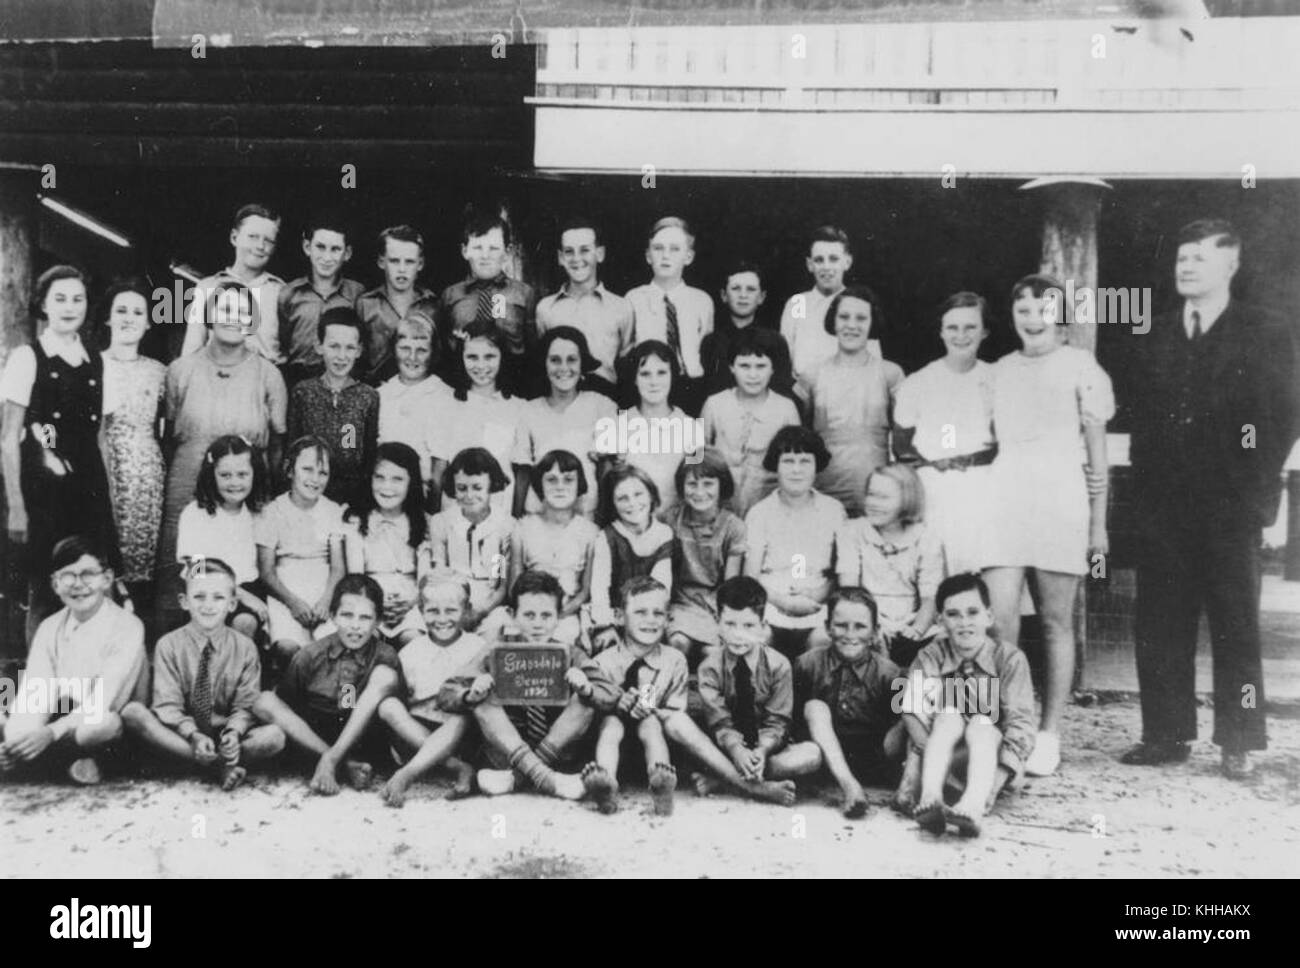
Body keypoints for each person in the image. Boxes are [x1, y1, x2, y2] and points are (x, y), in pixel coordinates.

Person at [1122, 219, 1300, 779]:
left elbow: (1280, 416)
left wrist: (1253, 490)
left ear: (1231, 263)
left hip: (1231, 508)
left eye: (1199, 257)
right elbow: (1143, 419)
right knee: (1160, 620)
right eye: (1181, 256)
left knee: (1236, 625)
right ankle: (1165, 734)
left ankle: (1239, 739)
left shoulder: (1263, 330)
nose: (1187, 265)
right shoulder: (1157, 331)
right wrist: (1146, 494)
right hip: (1165, 510)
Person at [982, 274, 1114, 778]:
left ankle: (1049, 733)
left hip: (1061, 499)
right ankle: (1008, 724)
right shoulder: (998, 371)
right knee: (1001, 620)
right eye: (1022, 309)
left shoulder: (1082, 368)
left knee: (1057, 622)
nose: (1032, 317)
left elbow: (1097, 462)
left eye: (1042, 308)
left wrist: (1098, 529)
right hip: (1005, 494)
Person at [156, 279, 287, 625]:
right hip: (187, 483)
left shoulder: (269, 374)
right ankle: (176, 652)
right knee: (182, 569)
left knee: (242, 571)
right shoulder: (180, 370)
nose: (233, 318)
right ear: (209, 316)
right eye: (225, 310)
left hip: (244, 486)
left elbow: (277, 444)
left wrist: (262, 490)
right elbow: (167, 436)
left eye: (243, 312)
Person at [1, 266, 121, 639]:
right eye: (60, 299)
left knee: (94, 588)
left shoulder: (99, 363)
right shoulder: (28, 357)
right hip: (43, 492)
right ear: (43, 305)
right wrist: (17, 507)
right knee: (46, 590)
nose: (70, 307)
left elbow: (101, 439)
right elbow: (9, 437)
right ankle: (41, 680)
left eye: (78, 299)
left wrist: (110, 500)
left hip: (88, 491)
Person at [437, 570, 611, 800]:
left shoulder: (569, 653)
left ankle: (519, 777)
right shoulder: (497, 651)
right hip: (506, 751)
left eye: (546, 616)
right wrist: (471, 693)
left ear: (559, 617)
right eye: (529, 615)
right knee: (483, 700)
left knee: (585, 700)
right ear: (512, 615)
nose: (538, 624)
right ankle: (548, 780)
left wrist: (587, 688)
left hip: (558, 751)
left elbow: (610, 693)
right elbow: (447, 692)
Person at [121, 558, 285, 790]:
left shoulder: (245, 647)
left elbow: (246, 703)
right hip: (183, 736)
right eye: (199, 597)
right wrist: (193, 735)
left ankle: (210, 761)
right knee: (133, 713)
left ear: (232, 604)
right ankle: (218, 766)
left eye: (218, 597)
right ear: (184, 602)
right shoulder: (168, 645)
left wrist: (234, 734)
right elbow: (167, 704)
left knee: (274, 736)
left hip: (225, 732)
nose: (208, 605)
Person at [898, 573, 1036, 838]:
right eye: (953, 614)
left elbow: (1022, 725)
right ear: (940, 621)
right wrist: (928, 760)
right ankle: (931, 797)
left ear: (989, 616)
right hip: (938, 754)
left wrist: (996, 783)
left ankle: (972, 805)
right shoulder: (930, 654)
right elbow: (909, 708)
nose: (964, 623)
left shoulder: (1010, 659)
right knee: (949, 715)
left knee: (982, 722)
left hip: (989, 761)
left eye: (972, 612)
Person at [0, 536, 146, 785]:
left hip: (105, 718)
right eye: (68, 576)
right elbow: (36, 693)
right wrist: (17, 741)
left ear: (106, 579)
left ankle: (49, 763)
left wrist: (49, 733)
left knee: (100, 725)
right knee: (14, 722)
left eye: (88, 574)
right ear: (55, 584)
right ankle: (58, 762)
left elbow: (102, 701)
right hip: (62, 714)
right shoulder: (49, 627)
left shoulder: (127, 626)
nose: (78, 585)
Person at [253, 574, 401, 794]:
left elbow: (393, 711)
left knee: (385, 675)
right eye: (347, 616)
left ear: (378, 621)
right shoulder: (309, 656)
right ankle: (341, 763)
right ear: (332, 616)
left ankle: (334, 760)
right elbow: (289, 705)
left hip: (363, 738)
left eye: (365, 618)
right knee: (264, 700)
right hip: (315, 737)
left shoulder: (385, 656)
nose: (355, 626)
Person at [893, 291, 997, 575]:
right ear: (941, 331)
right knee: (934, 574)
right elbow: (902, 447)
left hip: (982, 489)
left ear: (984, 331)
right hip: (932, 491)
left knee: (983, 577)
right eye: (952, 327)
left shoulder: (997, 379)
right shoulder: (918, 383)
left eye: (970, 327)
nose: (961, 335)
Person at [694, 576, 822, 797]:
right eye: (730, 624)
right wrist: (736, 750)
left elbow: (778, 721)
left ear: (763, 627)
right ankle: (755, 784)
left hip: (767, 749)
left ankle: (724, 779)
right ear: (717, 623)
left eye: (748, 625)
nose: (738, 634)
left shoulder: (779, 665)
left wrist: (761, 751)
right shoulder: (709, 668)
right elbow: (720, 722)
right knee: (696, 743)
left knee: (812, 755)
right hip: (726, 747)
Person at [579, 576, 689, 816]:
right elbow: (591, 710)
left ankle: (660, 783)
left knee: (649, 724)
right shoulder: (603, 662)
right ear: (619, 616)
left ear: (668, 619)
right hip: (612, 746)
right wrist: (615, 705)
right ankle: (606, 783)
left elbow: (677, 711)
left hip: (654, 744)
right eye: (640, 612)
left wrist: (651, 710)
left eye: (658, 613)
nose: (650, 620)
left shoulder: (674, 661)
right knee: (611, 724)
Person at [377, 572, 485, 807]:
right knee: (388, 706)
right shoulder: (410, 652)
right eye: (433, 611)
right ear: (421, 612)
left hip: (460, 737)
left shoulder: (478, 647)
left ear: (466, 610)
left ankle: (407, 775)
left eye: (451, 611)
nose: (442, 619)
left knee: (464, 715)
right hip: (416, 734)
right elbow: (403, 699)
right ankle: (456, 768)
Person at [796, 589, 904, 818]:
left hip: (873, 760)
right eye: (841, 625)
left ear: (875, 632)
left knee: (908, 714)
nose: (850, 634)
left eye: (860, 626)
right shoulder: (808, 664)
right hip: (824, 759)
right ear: (828, 628)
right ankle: (850, 788)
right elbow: (793, 717)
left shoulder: (889, 673)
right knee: (815, 707)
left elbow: (898, 734)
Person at [743, 426, 845, 661]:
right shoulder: (760, 513)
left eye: (805, 461)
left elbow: (840, 573)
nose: (796, 470)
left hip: (817, 606)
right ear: (776, 466)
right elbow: (751, 577)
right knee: (758, 639)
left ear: (816, 465)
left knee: (823, 642)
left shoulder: (833, 511)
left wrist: (816, 596)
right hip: (770, 605)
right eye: (788, 461)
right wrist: (783, 602)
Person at [800, 285, 903, 516]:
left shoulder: (890, 374)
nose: (852, 325)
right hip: (822, 493)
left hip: (875, 493)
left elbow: (904, 443)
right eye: (844, 317)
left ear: (872, 322)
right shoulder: (812, 375)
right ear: (833, 322)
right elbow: (800, 438)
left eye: (861, 318)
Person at [834, 464, 943, 668]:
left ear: (907, 500)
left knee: (943, 645)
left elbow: (930, 597)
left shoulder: (926, 537)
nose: (874, 503)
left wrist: (917, 629)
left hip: (912, 621)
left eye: (884, 498)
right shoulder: (852, 531)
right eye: (871, 495)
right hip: (866, 617)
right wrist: (873, 624)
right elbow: (849, 591)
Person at [98, 278, 167, 601]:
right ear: (108, 318)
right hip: (106, 468)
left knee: (143, 567)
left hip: (148, 477)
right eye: (121, 310)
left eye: (138, 312)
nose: (129, 318)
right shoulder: (93, 364)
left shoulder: (159, 371)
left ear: (149, 322)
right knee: (104, 557)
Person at [255, 436, 346, 669]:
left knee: (334, 646)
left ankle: (331, 699)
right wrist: (293, 603)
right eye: (307, 469)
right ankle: (293, 699)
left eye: (322, 473)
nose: (315, 479)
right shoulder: (273, 511)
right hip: (286, 592)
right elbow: (266, 572)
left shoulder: (332, 511)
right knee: (289, 649)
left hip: (323, 590)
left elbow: (337, 567)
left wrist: (326, 600)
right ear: (289, 470)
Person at [511, 326, 617, 520]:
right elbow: (523, 471)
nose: (563, 368)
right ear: (544, 364)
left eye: (572, 360)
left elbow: (606, 468)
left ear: (582, 363)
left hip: (586, 513)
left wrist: (604, 517)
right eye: (555, 360)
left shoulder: (602, 406)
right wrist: (516, 518)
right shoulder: (528, 410)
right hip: (538, 514)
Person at [176, 435, 272, 645]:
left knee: (244, 623)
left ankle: (236, 673)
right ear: (212, 475)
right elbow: (196, 570)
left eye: (242, 474)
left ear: (254, 474)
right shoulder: (195, 514)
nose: (235, 482)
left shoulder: (258, 513)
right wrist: (237, 594)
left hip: (248, 588)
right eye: (225, 475)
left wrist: (246, 596)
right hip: (206, 590)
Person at [500, 449, 600, 649]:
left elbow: (585, 591)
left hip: (567, 613)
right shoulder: (522, 528)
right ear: (539, 485)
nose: (560, 487)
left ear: (579, 484)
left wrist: (557, 614)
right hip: (528, 612)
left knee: (566, 640)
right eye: (551, 480)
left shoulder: (590, 533)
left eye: (568, 480)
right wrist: (532, 613)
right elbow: (513, 585)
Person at [700, 327, 801, 516]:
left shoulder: (786, 409)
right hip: (721, 509)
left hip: (770, 510)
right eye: (745, 366)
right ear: (731, 367)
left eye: (761, 366)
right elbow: (696, 458)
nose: (753, 375)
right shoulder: (714, 404)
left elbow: (795, 464)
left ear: (773, 368)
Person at [427, 320, 524, 516]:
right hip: (454, 512)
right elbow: (438, 472)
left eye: (489, 357)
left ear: (502, 357)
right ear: (461, 359)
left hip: (499, 512)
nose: (481, 365)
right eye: (472, 357)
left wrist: (515, 519)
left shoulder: (518, 408)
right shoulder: (445, 405)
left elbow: (521, 473)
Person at [286, 306, 379, 508]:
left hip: (351, 498)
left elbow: (368, 455)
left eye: (349, 348)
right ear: (319, 346)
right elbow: (293, 448)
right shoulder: (303, 392)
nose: (341, 356)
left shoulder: (368, 396)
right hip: (309, 493)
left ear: (359, 351)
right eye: (334, 346)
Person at [535, 216, 634, 402]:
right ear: (560, 258)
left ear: (600, 254)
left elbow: (627, 364)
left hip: (607, 399)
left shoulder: (621, 307)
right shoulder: (545, 309)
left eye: (585, 250)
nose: (576, 259)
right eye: (569, 252)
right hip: (561, 399)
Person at [341, 442, 430, 649]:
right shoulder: (356, 521)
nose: (386, 487)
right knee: (366, 640)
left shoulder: (422, 522)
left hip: (410, 602)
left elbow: (424, 577)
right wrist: (376, 603)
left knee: (413, 639)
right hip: (368, 599)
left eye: (397, 479)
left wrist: (411, 602)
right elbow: (356, 576)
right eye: (379, 477)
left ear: (411, 483)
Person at [438, 212, 536, 396]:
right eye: (477, 247)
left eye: (493, 248)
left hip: (514, 388)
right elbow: (443, 350)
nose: (485, 255)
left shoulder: (524, 294)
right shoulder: (451, 296)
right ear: (464, 251)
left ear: (507, 252)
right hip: (463, 388)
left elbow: (532, 349)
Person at [664, 448, 746, 666]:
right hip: (680, 601)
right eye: (692, 484)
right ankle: (672, 693)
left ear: (722, 485)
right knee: (678, 642)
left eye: (708, 484)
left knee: (714, 652)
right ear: (682, 486)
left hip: (714, 604)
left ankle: (711, 696)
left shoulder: (733, 527)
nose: (700, 492)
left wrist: (724, 617)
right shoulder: (671, 520)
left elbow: (730, 585)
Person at [625, 216, 714, 415]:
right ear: (648, 256)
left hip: (692, 387)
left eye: (675, 249)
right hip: (651, 387)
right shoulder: (633, 299)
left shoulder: (702, 301)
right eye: (658, 248)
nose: (666, 256)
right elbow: (627, 349)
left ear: (688, 256)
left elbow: (705, 348)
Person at [178, 203, 284, 363]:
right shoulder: (208, 287)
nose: (260, 246)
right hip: (214, 379)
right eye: (253, 236)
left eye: (268, 240)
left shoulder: (282, 292)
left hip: (264, 381)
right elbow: (191, 352)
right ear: (234, 237)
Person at [424, 447, 514, 632]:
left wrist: (480, 611)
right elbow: (440, 573)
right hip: (451, 598)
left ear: (491, 485)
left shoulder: (504, 526)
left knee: (495, 632)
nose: (469, 495)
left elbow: (501, 586)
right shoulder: (442, 523)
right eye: (462, 488)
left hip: (490, 603)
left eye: (477, 487)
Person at [588, 466, 675, 647]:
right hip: (613, 616)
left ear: (651, 495)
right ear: (612, 503)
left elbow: (661, 587)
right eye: (622, 498)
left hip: (649, 615)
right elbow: (599, 590)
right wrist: (606, 625)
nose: (632, 503)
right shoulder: (607, 537)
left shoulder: (663, 533)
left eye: (638, 494)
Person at [604, 340, 693, 516]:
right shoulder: (616, 424)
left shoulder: (691, 426)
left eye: (661, 373)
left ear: (673, 375)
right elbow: (607, 483)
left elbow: (697, 477)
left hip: (677, 526)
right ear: (634, 379)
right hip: (631, 525)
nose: (654, 382)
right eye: (645, 374)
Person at [277, 212, 366, 388]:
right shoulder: (289, 293)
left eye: (335, 249)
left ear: (347, 253)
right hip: (297, 381)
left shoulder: (357, 294)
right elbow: (283, 343)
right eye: (320, 247)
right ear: (307, 247)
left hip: (342, 382)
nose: (327, 257)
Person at [376, 311, 451, 501]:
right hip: (384, 492)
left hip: (423, 496)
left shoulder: (443, 395)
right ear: (394, 349)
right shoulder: (380, 395)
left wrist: (432, 508)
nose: (412, 357)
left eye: (422, 350)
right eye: (405, 348)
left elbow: (440, 462)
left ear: (433, 352)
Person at [355, 224, 440, 386]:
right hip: (377, 391)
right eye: (394, 261)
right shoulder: (366, 305)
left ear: (420, 264)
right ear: (381, 262)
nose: (402, 269)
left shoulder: (433, 305)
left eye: (409, 262)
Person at [780, 225, 852, 390]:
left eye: (834, 259)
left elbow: (873, 363)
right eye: (819, 260)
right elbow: (784, 360)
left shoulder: (858, 303)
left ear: (847, 262)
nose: (826, 267)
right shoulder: (797, 303)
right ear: (809, 264)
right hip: (802, 395)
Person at [700, 260, 782, 396]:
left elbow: (780, 392)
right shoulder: (711, 342)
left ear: (761, 297)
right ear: (724, 295)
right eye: (736, 288)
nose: (743, 295)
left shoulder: (775, 342)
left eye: (750, 289)